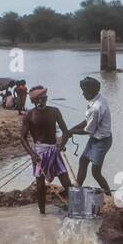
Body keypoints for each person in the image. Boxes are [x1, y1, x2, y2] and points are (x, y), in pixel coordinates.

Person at [20, 85, 73, 214]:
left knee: (66, 181)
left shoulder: (54, 111)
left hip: (55, 151)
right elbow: (22, 137)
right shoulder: (29, 115)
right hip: (39, 153)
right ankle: (42, 214)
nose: (40, 102)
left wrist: (61, 144)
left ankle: (76, 208)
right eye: (37, 100)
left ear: (47, 98)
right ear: (32, 101)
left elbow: (65, 131)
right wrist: (32, 154)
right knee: (40, 185)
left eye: (43, 99)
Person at [62, 76, 113, 195]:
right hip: (95, 138)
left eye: (84, 91)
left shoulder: (97, 107)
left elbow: (88, 130)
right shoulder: (95, 99)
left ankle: (109, 195)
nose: (82, 94)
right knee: (83, 161)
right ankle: (77, 189)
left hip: (102, 141)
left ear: (92, 91)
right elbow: (87, 121)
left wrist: (71, 132)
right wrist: (71, 129)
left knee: (95, 172)